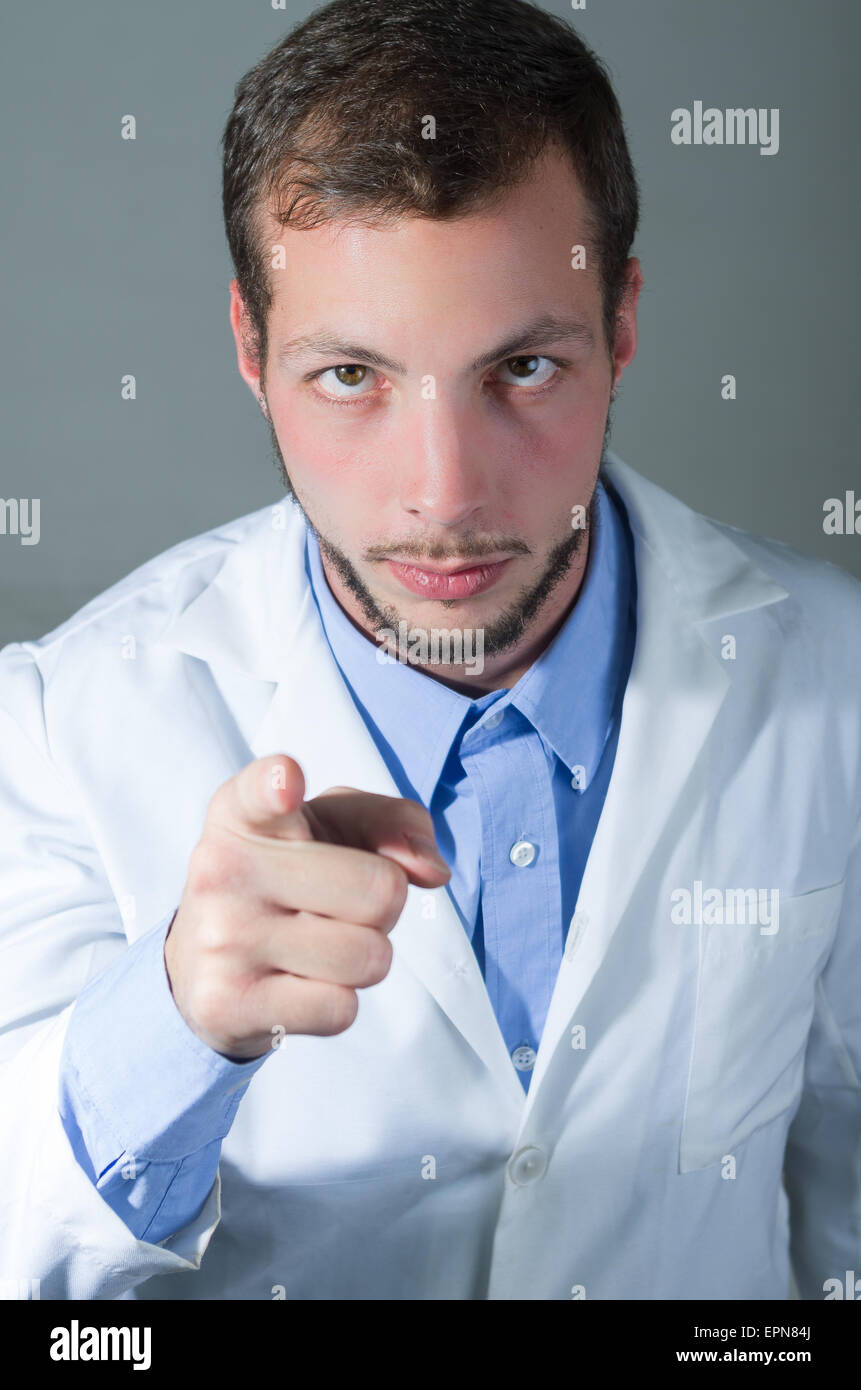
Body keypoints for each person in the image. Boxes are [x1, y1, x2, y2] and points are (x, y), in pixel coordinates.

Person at [1, 0, 859, 1302]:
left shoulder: (836, 674)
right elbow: (26, 1262)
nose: (443, 493)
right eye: (350, 375)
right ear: (250, 349)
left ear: (620, 322)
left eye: (520, 364)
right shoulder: (61, 725)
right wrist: (174, 1014)